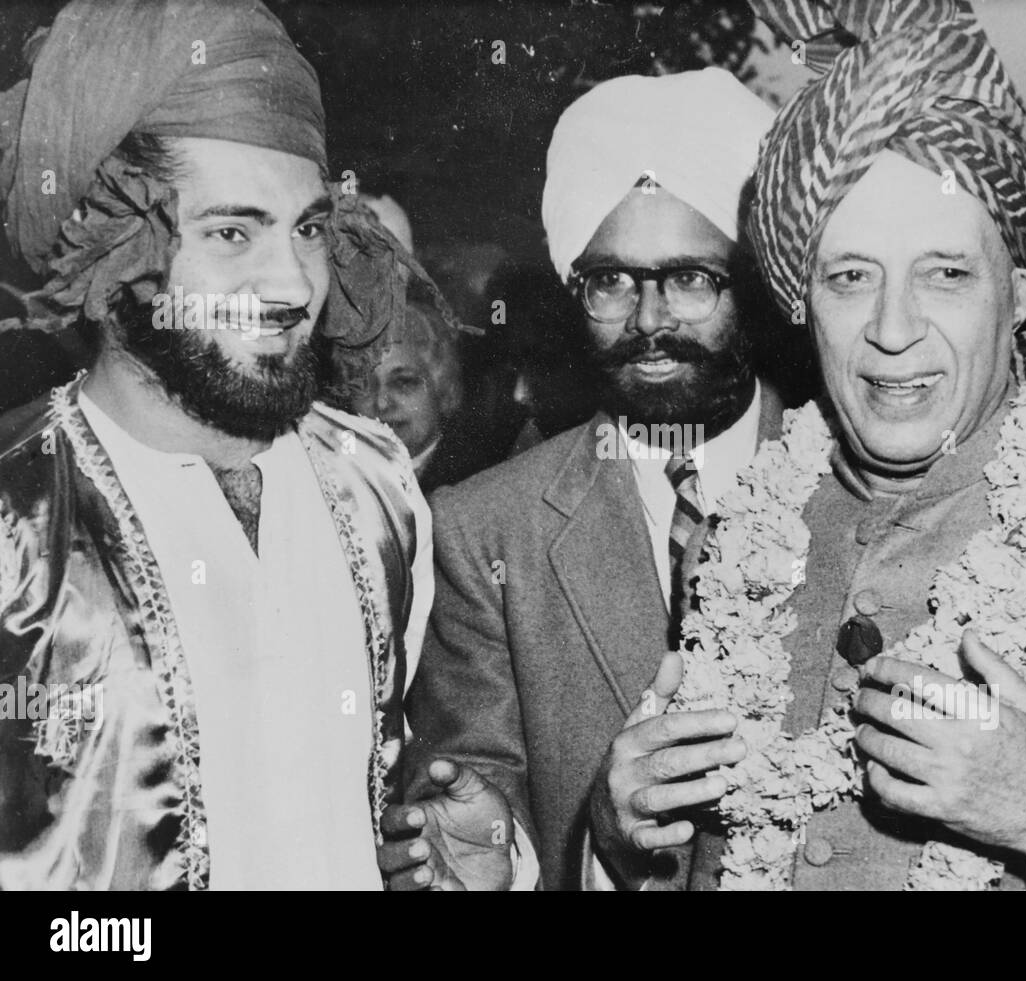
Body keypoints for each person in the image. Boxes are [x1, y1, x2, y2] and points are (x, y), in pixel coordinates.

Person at [593, 0, 1026, 890]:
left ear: (1025, 294)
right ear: (802, 304)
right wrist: (622, 836)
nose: (892, 330)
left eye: (946, 274)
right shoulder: (735, 537)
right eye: (850, 277)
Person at [0, 0, 527, 891]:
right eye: (231, 232)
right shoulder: (19, 522)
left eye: (310, 229)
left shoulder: (377, 483)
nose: (291, 284)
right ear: (111, 243)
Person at [405, 67, 783, 889]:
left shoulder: (854, 479)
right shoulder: (485, 530)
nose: (649, 321)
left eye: (690, 278)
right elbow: (479, 805)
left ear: (753, 284)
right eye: (611, 281)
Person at [354, 292, 467, 493]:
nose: (381, 403)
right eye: (364, 385)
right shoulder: (338, 472)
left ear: (442, 389)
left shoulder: (472, 479)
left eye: (403, 382)